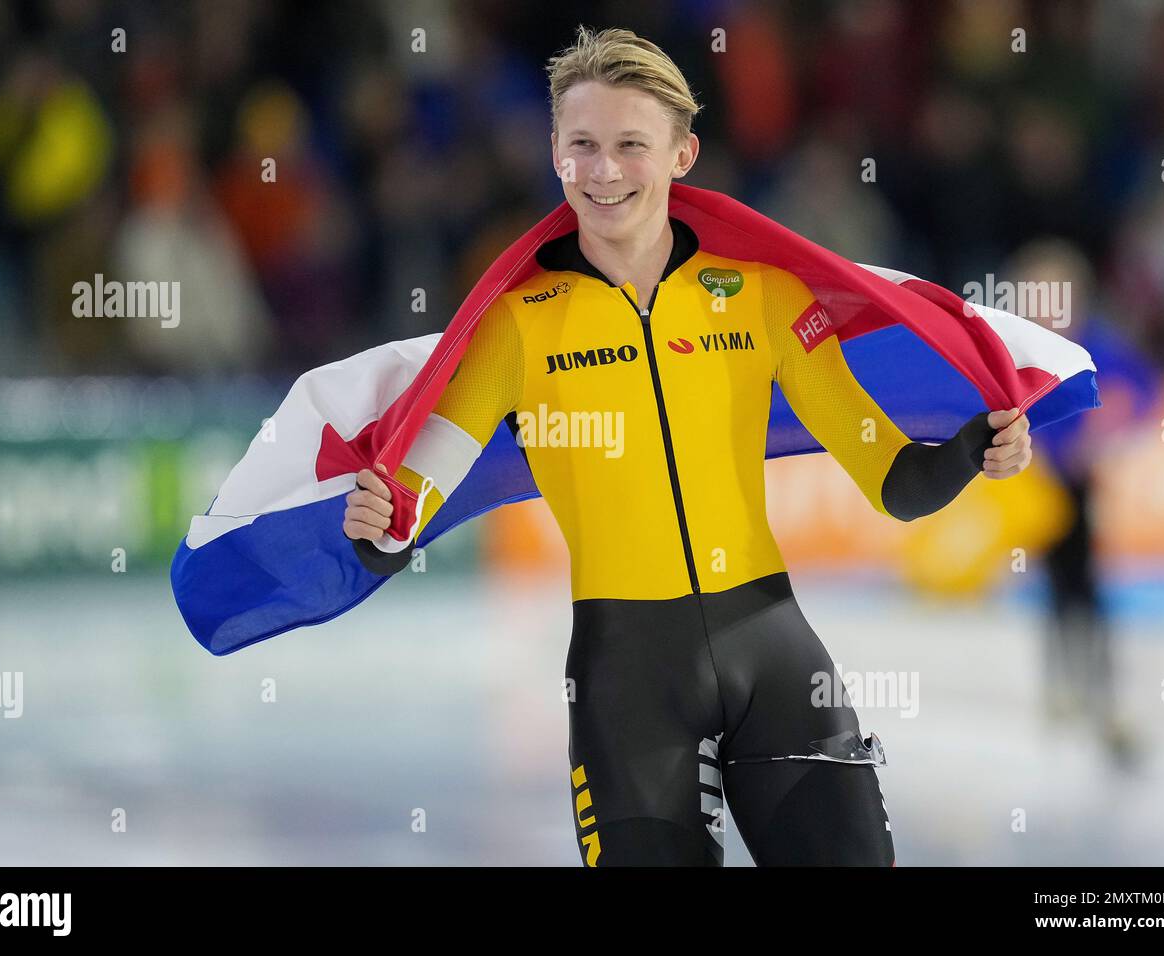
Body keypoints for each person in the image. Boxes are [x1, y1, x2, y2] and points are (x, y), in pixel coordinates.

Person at [343, 26, 1032, 866]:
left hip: (775, 658)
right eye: (582, 146)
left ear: (682, 153)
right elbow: (409, 506)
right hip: (627, 685)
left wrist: (972, 449)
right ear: (554, 152)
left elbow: (894, 479)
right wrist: (382, 521)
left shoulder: (764, 298)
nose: (603, 172)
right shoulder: (516, 327)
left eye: (631, 145)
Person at [1004, 239, 1159, 767]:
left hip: (1075, 487)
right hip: (1036, 487)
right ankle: (1064, 692)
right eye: (1035, 294)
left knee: (1084, 586)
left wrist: (1107, 431)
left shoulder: (1095, 344)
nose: (1043, 307)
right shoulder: (1016, 345)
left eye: (1054, 295)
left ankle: (1099, 695)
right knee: (1057, 586)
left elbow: (1142, 388)